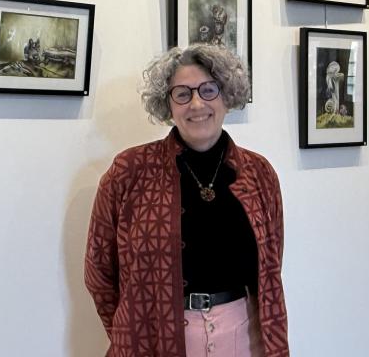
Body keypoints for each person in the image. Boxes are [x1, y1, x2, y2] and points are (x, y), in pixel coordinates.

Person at [85, 45, 288, 357]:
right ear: (167, 103)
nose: (197, 104)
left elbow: (271, 264)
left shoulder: (259, 174)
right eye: (182, 93)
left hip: (243, 336)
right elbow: (99, 272)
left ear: (226, 95)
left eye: (209, 90)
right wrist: (133, 331)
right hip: (154, 338)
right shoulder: (129, 172)